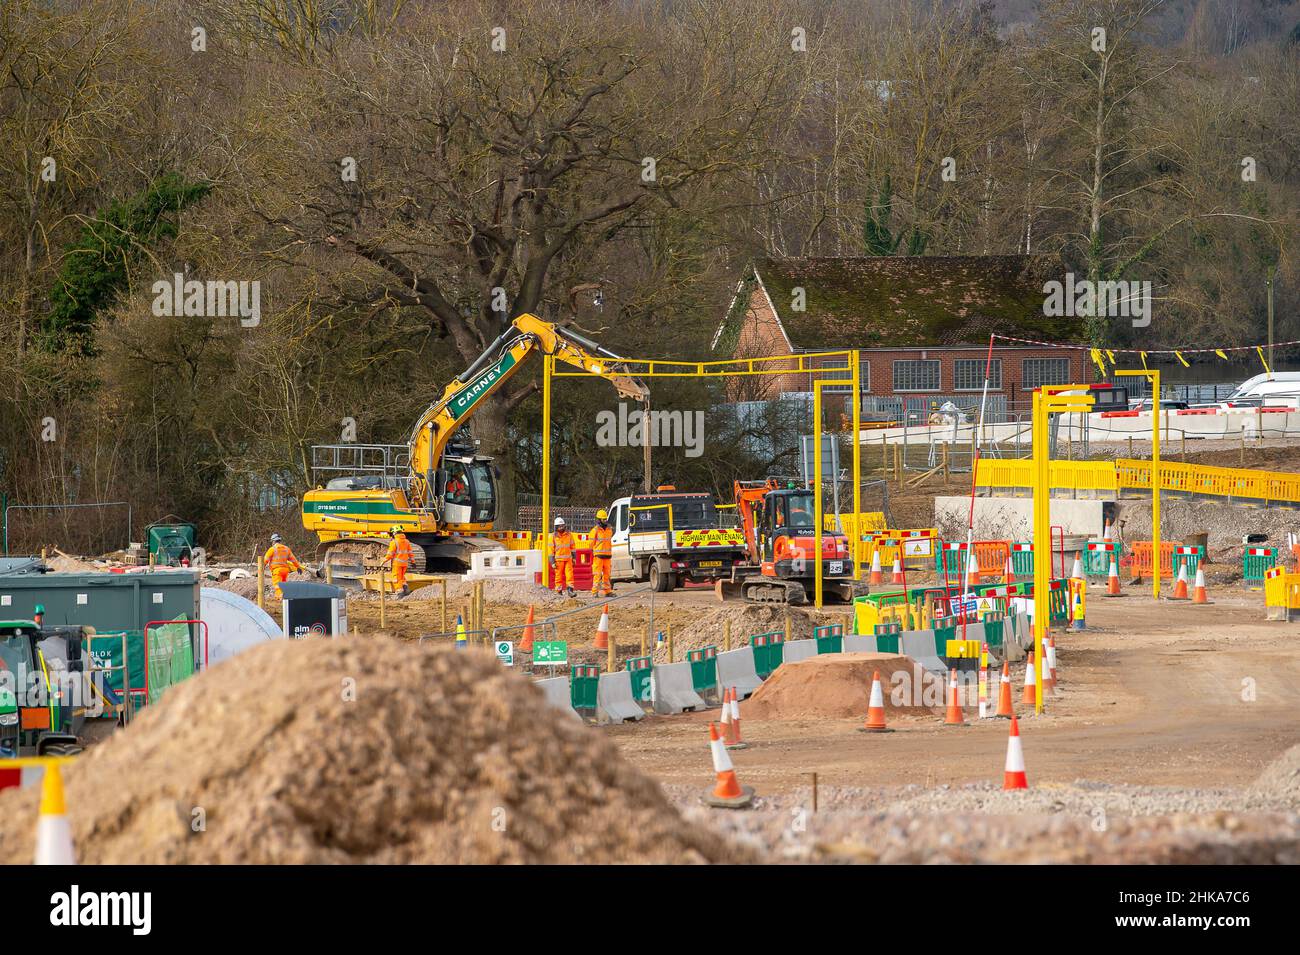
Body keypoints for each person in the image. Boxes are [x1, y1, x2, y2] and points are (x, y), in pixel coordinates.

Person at [264, 533, 303, 598]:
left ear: (273, 541)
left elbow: (265, 560)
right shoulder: (286, 549)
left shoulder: (272, 549)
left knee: (277, 586)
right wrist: (298, 567)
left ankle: (280, 598)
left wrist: (261, 568)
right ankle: (284, 599)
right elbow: (293, 559)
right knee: (283, 586)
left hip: (277, 571)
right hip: (285, 571)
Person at [589, 509, 614, 597]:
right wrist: (593, 552)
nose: (605, 521)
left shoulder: (609, 529)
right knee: (597, 575)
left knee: (607, 575)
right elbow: (590, 544)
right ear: (599, 520)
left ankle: (607, 591)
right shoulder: (595, 530)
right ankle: (594, 592)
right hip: (598, 556)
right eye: (603, 519)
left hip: (607, 556)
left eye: (605, 519)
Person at [551, 517, 576, 597]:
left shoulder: (569, 535)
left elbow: (573, 547)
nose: (561, 528)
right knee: (558, 577)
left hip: (568, 559)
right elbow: (550, 550)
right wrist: (552, 562)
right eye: (559, 526)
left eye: (562, 526)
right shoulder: (552, 537)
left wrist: (574, 558)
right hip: (558, 560)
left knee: (570, 576)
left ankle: (570, 590)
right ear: (556, 527)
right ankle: (559, 592)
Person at [383, 526, 413, 595]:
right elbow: (410, 552)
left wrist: (384, 560)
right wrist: (413, 561)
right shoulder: (407, 541)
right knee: (402, 577)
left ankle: (399, 592)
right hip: (405, 563)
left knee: (396, 577)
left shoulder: (394, 542)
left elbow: (390, 554)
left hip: (397, 564)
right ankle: (406, 588)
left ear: (394, 533)